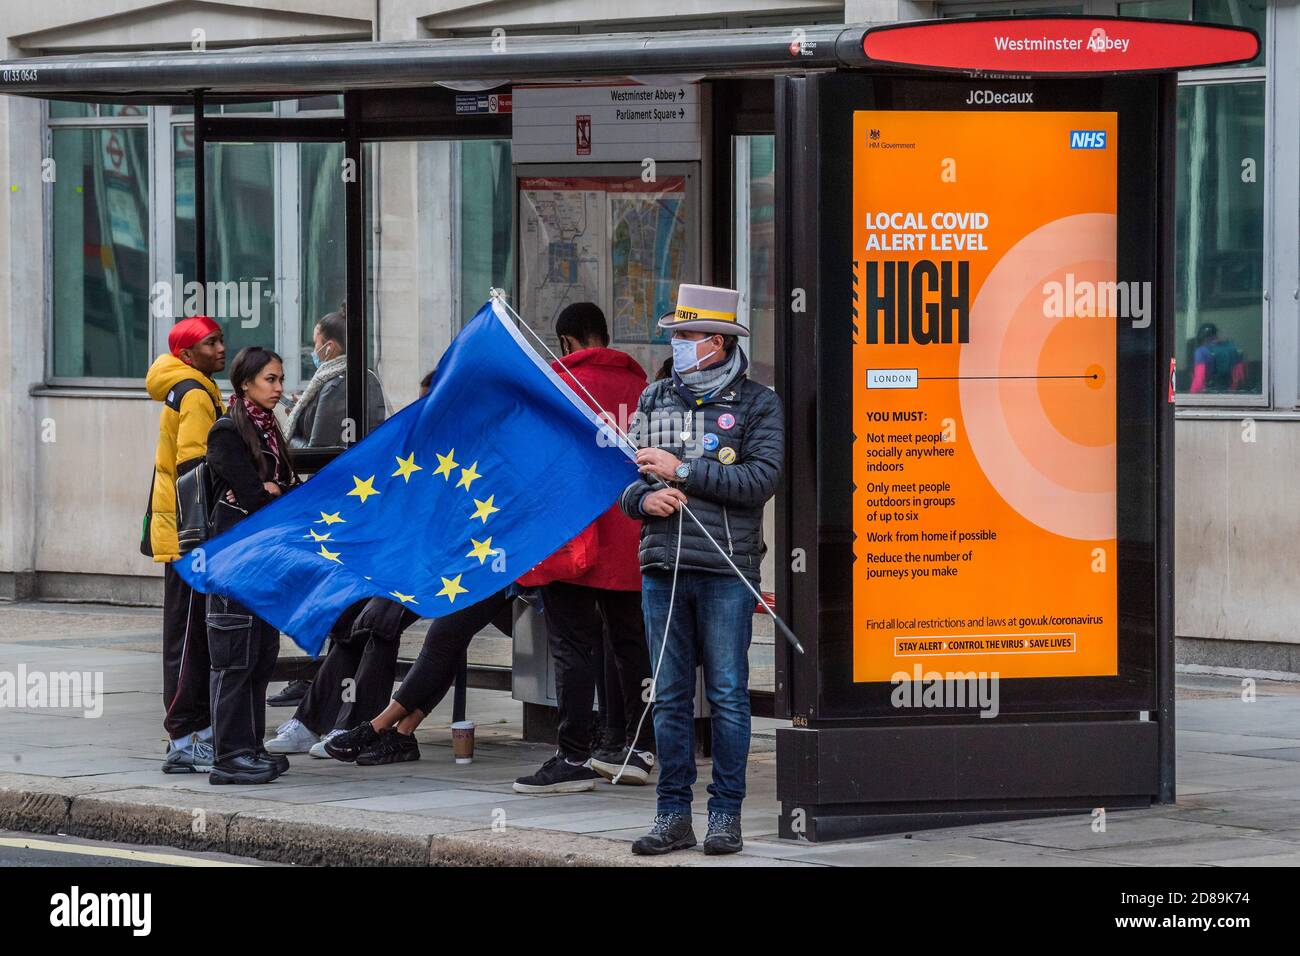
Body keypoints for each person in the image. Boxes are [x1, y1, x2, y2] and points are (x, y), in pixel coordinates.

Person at [619, 284, 783, 856]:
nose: (677, 345)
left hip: (726, 573)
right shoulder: (656, 396)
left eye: (686, 336)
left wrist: (684, 473)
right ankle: (672, 816)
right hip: (662, 567)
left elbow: (761, 482)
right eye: (675, 336)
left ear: (716, 342)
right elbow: (627, 481)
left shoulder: (760, 403)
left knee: (729, 694)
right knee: (668, 696)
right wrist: (645, 501)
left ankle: (725, 816)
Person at [513, 302, 656, 794]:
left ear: (567, 343)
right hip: (631, 534)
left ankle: (573, 756)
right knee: (632, 644)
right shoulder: (642, 389)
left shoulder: (555, 387)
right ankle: (640, 749)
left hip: (568, 537)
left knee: (573, 648)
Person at [265, 370, 439, 758]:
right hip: (405, 560)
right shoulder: (417, 445)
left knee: (381, 618)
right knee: (352, 613)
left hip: (447, 568)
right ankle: (313, 722)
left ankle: (353, 724)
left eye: (434, 400)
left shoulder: (459, 451)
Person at [270, 306, 391, 708]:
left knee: (330, 596)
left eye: (316, 340)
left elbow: (324, 451)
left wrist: (287, 445)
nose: (313, 349)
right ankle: (324, 672)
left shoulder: (342, 383)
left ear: (332, 346)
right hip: (348, 509)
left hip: (339, 511)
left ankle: (326, 677)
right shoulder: (344, 379)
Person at [204, 346, 300, 784]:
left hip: (265, 563)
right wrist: (271, 491)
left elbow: (284, 490)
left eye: (281, 379)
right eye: (270, 380)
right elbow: (254, 496)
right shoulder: (227, 432)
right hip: (233, 563)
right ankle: (229, 757)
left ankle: (251, 746)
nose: (279, 388)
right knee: (234, 659)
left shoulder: (269, 430)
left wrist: (276, 488)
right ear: (245, 383)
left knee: (262, 655)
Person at [144, 315, 225, 774]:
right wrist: (201, 536)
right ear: (187, 354)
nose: (220, 348)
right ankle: (183, 737)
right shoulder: (195, 394)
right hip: (189, 537)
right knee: (190, 636)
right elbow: (196, 468)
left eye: (219, 340)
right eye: (210, 343)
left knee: (188, 633)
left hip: (181, 533)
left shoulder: (194, 388)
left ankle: (192, 733)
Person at [323, 589, 516, 765]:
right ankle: (402, 733)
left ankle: (378, 726)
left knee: (446, 633)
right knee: (450, 635)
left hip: (513, 570)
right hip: (490, 568)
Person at [285, 305, 388, 449]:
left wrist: (289, 439)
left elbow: (318, 451)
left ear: (329, 347)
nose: (313, 350)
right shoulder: (367, 376)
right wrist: (305, 409)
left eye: (315, 343)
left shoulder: (335, 386)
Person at [1189, 322, 1247, 393]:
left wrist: (1191, 395)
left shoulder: (1201, 352)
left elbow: (1199, 380)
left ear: (1202, 338)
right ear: (1215, 334)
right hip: (1232, 394)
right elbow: (1240, 377)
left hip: (1211, 394)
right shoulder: (1233, 349)